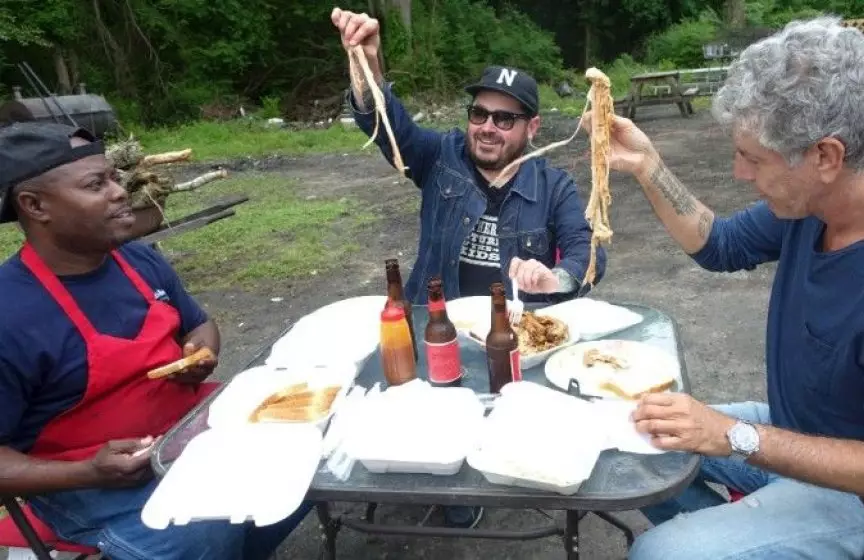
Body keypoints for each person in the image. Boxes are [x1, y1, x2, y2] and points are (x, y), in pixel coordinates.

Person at [580, 16, 864, 560]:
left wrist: (733, 436)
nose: (739, 173)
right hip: (796, 430)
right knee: (634, 438)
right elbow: (719, 245)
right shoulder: (817, 204)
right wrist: (647, 165)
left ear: (826, 156)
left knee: (660, 554)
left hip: (862, 504)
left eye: (752, 158)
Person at [0, 122, 311, 559]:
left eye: (113, 177)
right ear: (35, 205)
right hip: (90, 479)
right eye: (96, 185)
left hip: (185, 430)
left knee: (309, 445)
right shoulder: (9, 312)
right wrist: (89, 472)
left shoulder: (137, 258)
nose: (120, 192)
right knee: (199, 531)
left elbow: (199, 324)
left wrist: (202, 352)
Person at [330, 7, 607, 307]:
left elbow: (587, 251)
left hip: (518, 336)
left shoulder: (554, 187)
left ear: (532, 128)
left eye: (504, 119)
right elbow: (387, 127)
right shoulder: (440, 156)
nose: (487, 128)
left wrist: (555, 278)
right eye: (479, 114)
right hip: (437, 328)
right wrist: (367, 64)